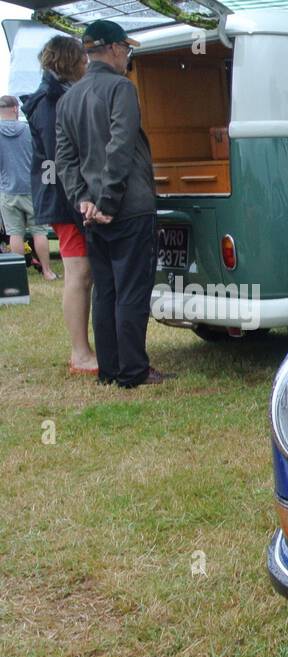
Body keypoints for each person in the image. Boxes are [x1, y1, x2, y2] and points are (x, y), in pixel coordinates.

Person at [55, 19, 171, 388]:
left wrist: (83, 200)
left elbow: (65, 158)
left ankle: (109, 368)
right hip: (128, 207)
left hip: (92, 212)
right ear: (116, 49)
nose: (127, 58)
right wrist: (106, 200)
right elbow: (119, 148)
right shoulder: (121, 88)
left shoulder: (69, 96)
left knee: (106, 292)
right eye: (127, 51)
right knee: (132, 292)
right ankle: (133, 371)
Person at [24, 35, 95, 374]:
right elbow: (60, 155)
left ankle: (82, 350)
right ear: (69, 61)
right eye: (82, 58)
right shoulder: (51, 100)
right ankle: (80, 353)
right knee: (78, 274)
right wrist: (82, 194)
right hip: (65, 199)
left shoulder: (53, 95)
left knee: (80, 274)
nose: (87, 63)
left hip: (63, 196)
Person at [0, 94, 58, 280]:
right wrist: (49, 183)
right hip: (33, 189)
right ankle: (47, 271)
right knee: (39, 232)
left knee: (14, 233)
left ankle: (19, 275)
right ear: (16, 109)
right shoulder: (29, 130)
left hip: (8, 190)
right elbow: (45, 157)